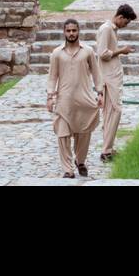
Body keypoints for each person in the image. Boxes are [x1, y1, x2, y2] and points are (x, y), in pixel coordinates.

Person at [46, 18, 104, 179]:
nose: (71, 33)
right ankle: (67, 169)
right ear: (64, 32)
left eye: (74, 30)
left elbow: (97, 73)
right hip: (64, 101)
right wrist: (50, 96)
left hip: (84, 100)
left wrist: (100, 93)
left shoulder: (88, 51)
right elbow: (52, 77)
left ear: (78, 31)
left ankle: (81, 161)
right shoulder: (57, 53)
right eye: (68, 31)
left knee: (83, 134)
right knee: (62, 134)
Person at [95, 3, 137, 162]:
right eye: (125, 22)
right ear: (120, 17)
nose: (125, 26)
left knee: (110, 113)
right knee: (116, 111)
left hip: (112, 76)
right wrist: (122, 51)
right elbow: (102, 53)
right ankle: (106, 151)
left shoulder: (111, 29)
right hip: (109, 77)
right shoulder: (106, 29)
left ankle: (107, 149)